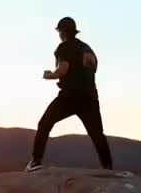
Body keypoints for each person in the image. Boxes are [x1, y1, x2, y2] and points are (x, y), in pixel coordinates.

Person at [27, 16, 116, 172]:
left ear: (62, 32)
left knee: (45, 124)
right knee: (96, 132)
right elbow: (93, 69)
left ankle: (36, 161)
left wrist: (49, 75)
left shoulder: (64, 47)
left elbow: (64, 69)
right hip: (89, 96)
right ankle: (107, 166)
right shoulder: (88, 49)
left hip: (70, 96)